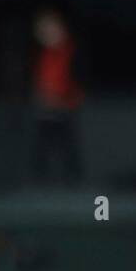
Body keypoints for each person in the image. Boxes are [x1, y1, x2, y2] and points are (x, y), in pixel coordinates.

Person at [29, 9, 84, 185]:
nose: (47, 35)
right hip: (46, 107)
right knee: (43, 146)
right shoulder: (44, 55)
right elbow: (42, 79)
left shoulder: (70, 52)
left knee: (67, 145)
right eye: (43, 32)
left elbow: (76, 79)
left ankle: (73, 179)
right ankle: (40, 180)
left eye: (50, 29)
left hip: (64, 107)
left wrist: (66, 99)